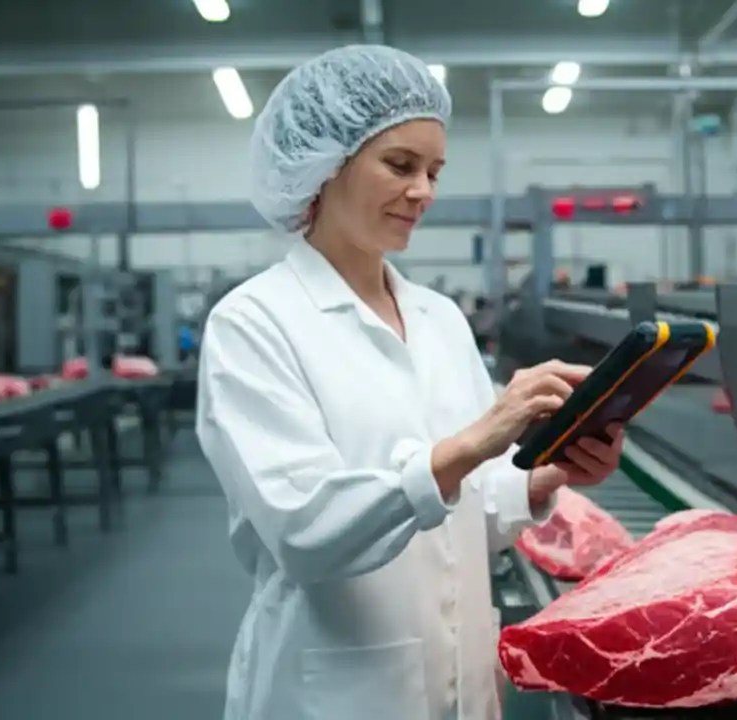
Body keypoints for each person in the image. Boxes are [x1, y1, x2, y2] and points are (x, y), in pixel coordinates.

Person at [194, 45, 624, 720]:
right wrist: (477, 439)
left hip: (461, 683)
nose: (424, 190)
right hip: (334, 692)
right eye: (400, 165)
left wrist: (542, 477)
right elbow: (307, 532)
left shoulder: (438, 318)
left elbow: (467, 510)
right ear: (325, 165)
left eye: (434, 170)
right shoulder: (254, 322)